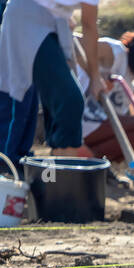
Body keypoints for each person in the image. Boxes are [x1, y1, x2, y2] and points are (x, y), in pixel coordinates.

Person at [0, 0, 101, 162]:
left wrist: (63, 13)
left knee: (60, 101)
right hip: (27, 18)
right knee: (69, 100)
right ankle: (10, 163)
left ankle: (56, 175)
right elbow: (89, 26)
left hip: (55, 21)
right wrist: (95, 77)